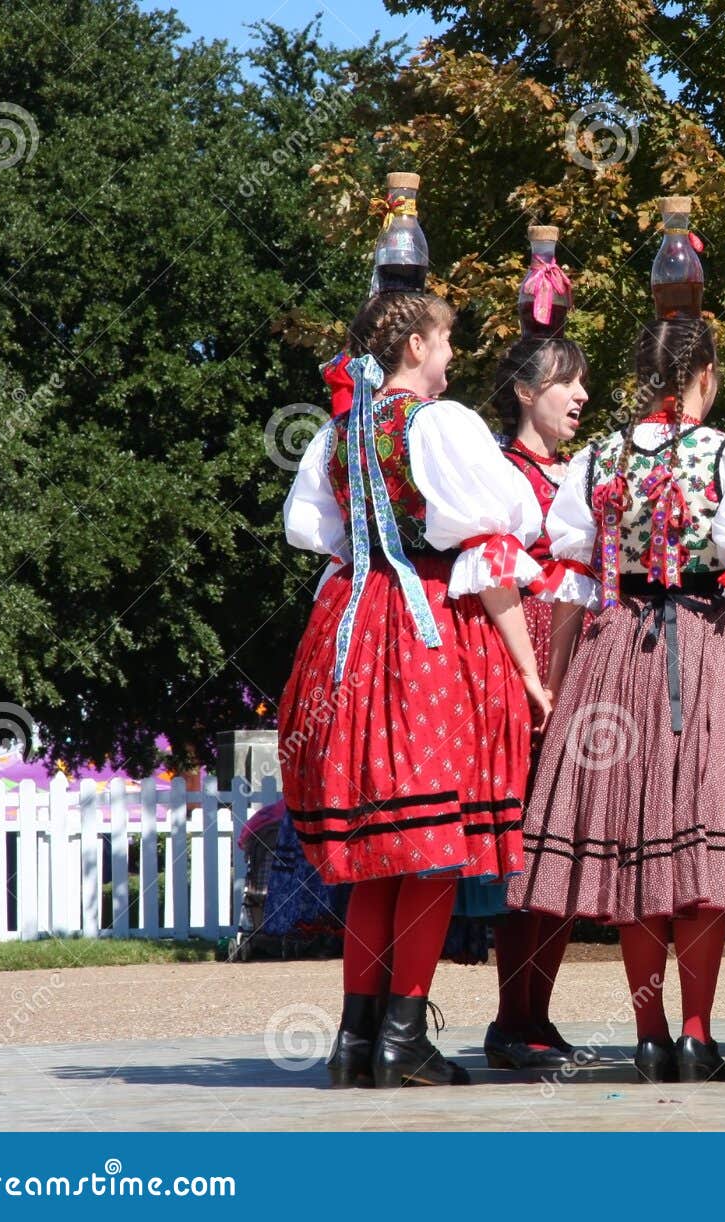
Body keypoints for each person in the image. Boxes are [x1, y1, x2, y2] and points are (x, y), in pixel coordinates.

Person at [508, 316, 725, 1084]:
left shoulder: (595, 456)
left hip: (615, 654)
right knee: (699, 848)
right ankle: (697, 1035)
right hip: (712, 653)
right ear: (706, 376)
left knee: (634, 855)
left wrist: (555, 679)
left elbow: (570, 584)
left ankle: (651, 1036)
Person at [279, 290, 550, 1089]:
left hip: (348, 627)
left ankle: (356, 1038)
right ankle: (404, 1036)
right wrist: (531, 670)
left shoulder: (337, 431)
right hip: (427, 625)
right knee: (430, 847)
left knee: (377, 853)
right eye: (445, 340)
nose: (451, 356)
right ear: (415, 347)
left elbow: (317, 534)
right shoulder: (443, 425)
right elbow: (500, 529)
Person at [453, 335, 592, 1071]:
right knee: (527, 841)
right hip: (522, 657)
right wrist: (529, 668)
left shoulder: (585, 470)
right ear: (524, 391)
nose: (581, 397)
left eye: (583, 384)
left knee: (565, 839)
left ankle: (537, 1011)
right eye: (566, 383)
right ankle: (513, 1017)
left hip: (582, 656)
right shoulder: (496, 473)